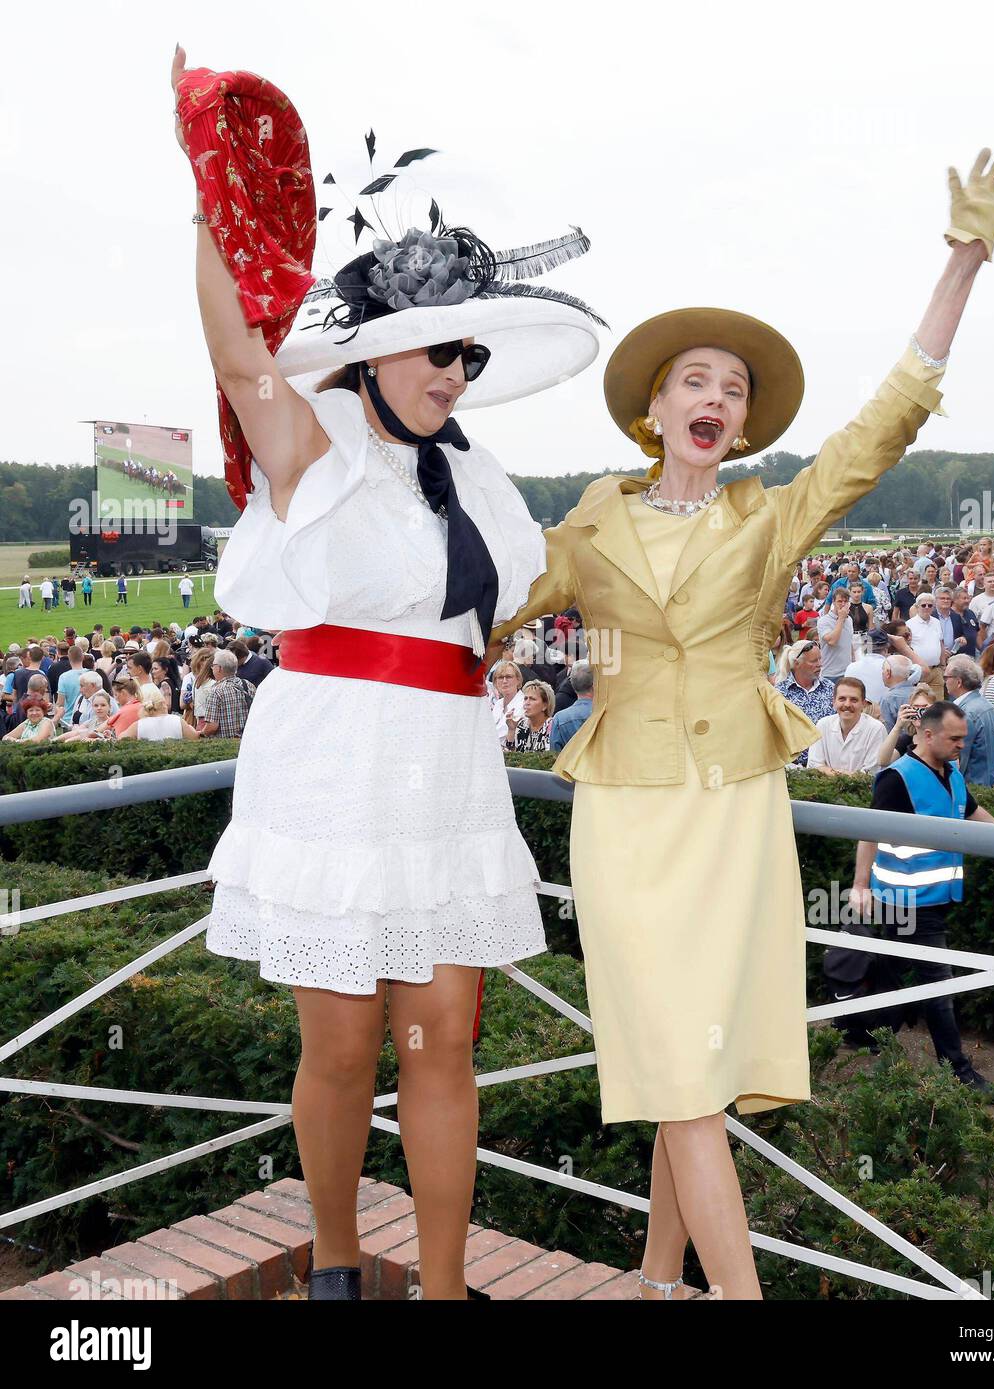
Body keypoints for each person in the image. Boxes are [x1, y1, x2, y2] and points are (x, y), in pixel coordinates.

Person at [489, 145, 994, 1298]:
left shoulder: (769, 517)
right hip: (628, 818)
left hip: (738, 810)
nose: (716, 399)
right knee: (677, 1069)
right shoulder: (585, 527)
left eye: (733, 389)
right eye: (696, 379)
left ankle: (651, 1278)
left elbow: (882, 426)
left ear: (740, 427)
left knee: (692, 1059)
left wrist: (963, 263)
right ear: (655, 407)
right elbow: (477, 610)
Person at [173, 46, 604, 1303]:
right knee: (346, 1044)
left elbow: (490, 615)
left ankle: (448, 1285)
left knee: (444, 1043)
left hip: (447, 777)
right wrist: (211, 214)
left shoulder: (483, 479)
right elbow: (243, 358)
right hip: (333, 767)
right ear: (373, 355)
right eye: (435, 353)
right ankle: (342, 1267)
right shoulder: (313, 446)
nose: (455, 373)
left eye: (468, 355)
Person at [851, 702, 994, 1101]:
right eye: (954, 738)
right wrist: (859, 884)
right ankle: (957, 1070)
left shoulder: (951, 773)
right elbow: (868, 832)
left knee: (893, 969)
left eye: (963, 737)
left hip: (930, 898)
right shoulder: (896, 778)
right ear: (928, 735)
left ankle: (861, 1030)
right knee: (937, 982)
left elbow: (971, 811)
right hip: (906, 899)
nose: (962, 744)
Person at [804, 676, 887, 775]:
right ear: (834, 702)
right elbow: (814, 765)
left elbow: (871, 773)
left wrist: (830, 772)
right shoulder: (823, 725)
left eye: (854, 700)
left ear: (863, 704)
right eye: (842, 699)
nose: (847, 704)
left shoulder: (876, 729)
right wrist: (844, 775)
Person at [776, 639, 835, 766]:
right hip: (793, 766)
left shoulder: (830, 688)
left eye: (820, 659)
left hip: (827, 765)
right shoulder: (780, 693)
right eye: (814, 661)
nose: (820, 664)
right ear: (797, 663)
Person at [944, 654, 994, 785]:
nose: (944, 681)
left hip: (971, 787)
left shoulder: (964, 713)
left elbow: (959, 758)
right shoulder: (987, 706)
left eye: (946, 677)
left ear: (958, 682)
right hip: (988, 784)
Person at [116, 682, 201, 741]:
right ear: (163, 703)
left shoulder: (138, 725)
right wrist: (191, 728)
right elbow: (194, 738)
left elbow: (120, 739)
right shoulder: (177, 720)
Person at [907, 592, 949, 699]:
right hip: (918, 672)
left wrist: (943, 666)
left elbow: (941, 644)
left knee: (939, 704)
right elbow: (906, 647)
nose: (926, 608)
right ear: (917, 607)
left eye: (930, 605)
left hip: (936, 670)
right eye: (923, 605)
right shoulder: (909, 624)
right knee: (919, 703)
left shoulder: (936, 622)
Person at [548, 661, 594, 752]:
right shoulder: (606, 713)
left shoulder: (559, 719)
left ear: (572, 685)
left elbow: (554, 756)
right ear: (595, 683)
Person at [507, 680, 556, 752]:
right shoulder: (522, 725)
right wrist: (511, 730)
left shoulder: (552, 727)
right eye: (525, 698)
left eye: (532, 699)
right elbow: (512, 755)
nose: (527, 703)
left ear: (545, 705)